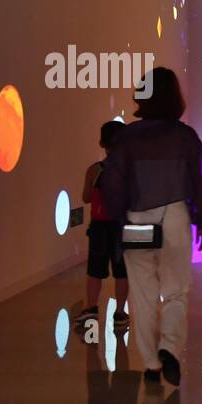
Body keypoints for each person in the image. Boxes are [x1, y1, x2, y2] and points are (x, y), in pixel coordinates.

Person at [100, 68, 202, 386]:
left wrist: (119, 220)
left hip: (136, 219)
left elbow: (113, 184)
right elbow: (198, 182)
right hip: (175, 216)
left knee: (143, 294)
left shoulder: (127, 138)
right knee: (176, 291)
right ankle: (169, 350)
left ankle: (150, 364)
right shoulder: (185, 137)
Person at [75, 120, 130, 328]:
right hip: (122, 227)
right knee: (122, 271)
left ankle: (91, 308)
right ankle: (120, 313)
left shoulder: (94, 170)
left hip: (99, 227)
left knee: (95, 269)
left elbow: (86, 197)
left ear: (101, 143)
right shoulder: (129, 172)